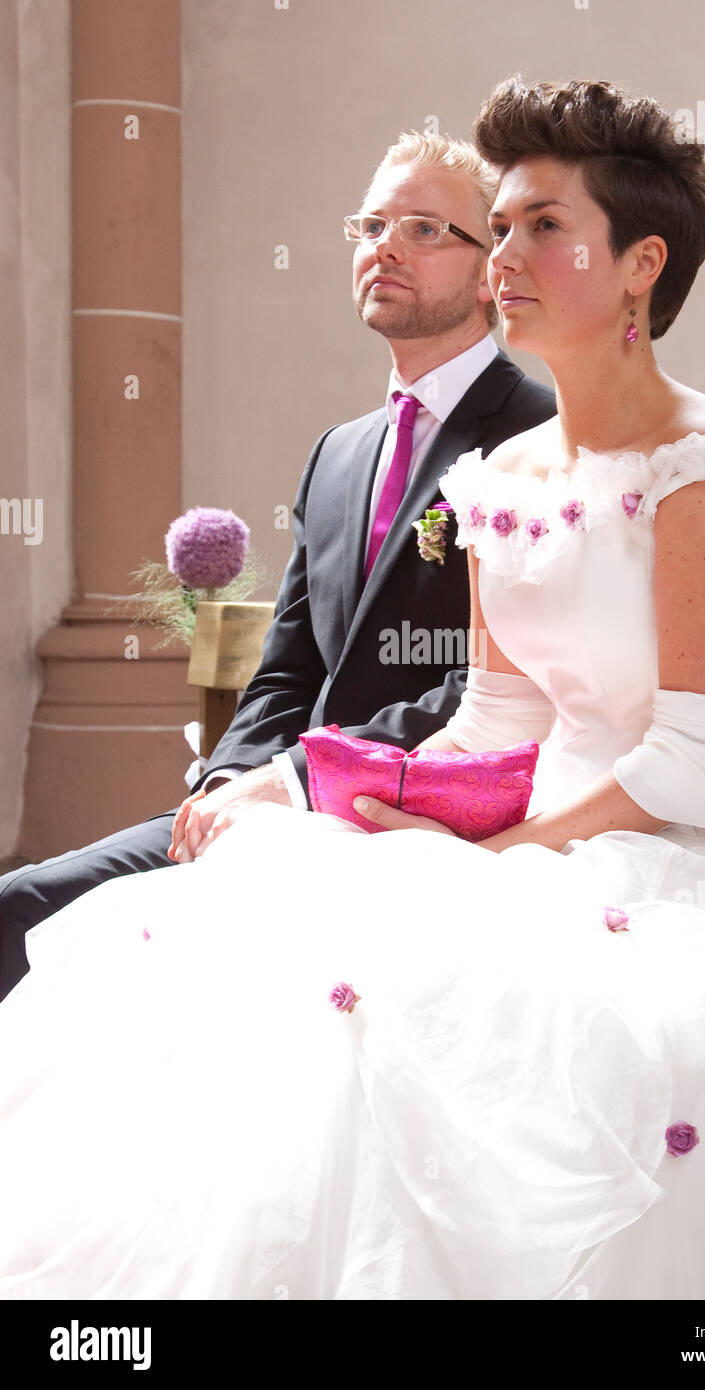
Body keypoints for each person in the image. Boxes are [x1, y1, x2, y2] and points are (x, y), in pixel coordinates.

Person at [0, 76, 705, 1301]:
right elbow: (493, 720)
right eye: (497, 225)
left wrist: (497, 858)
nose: (505, 253)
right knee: (238, 919)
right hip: (534, 832)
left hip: (683, 861)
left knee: (416, 1004)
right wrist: (368, 807)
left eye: (542, 226)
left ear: (637, 265)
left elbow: (693, 765)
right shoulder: (501, 474)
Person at [0, 131, 555, 999]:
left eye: (424, 229)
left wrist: (295, 780)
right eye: (372, 225)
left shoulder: (539, 438)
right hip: (274, 800)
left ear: (492, 268)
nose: (385, 247)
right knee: (22, 908)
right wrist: (228, 781)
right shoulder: (339, 454)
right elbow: (288, 668)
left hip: (417, 825)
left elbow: (507, 688)